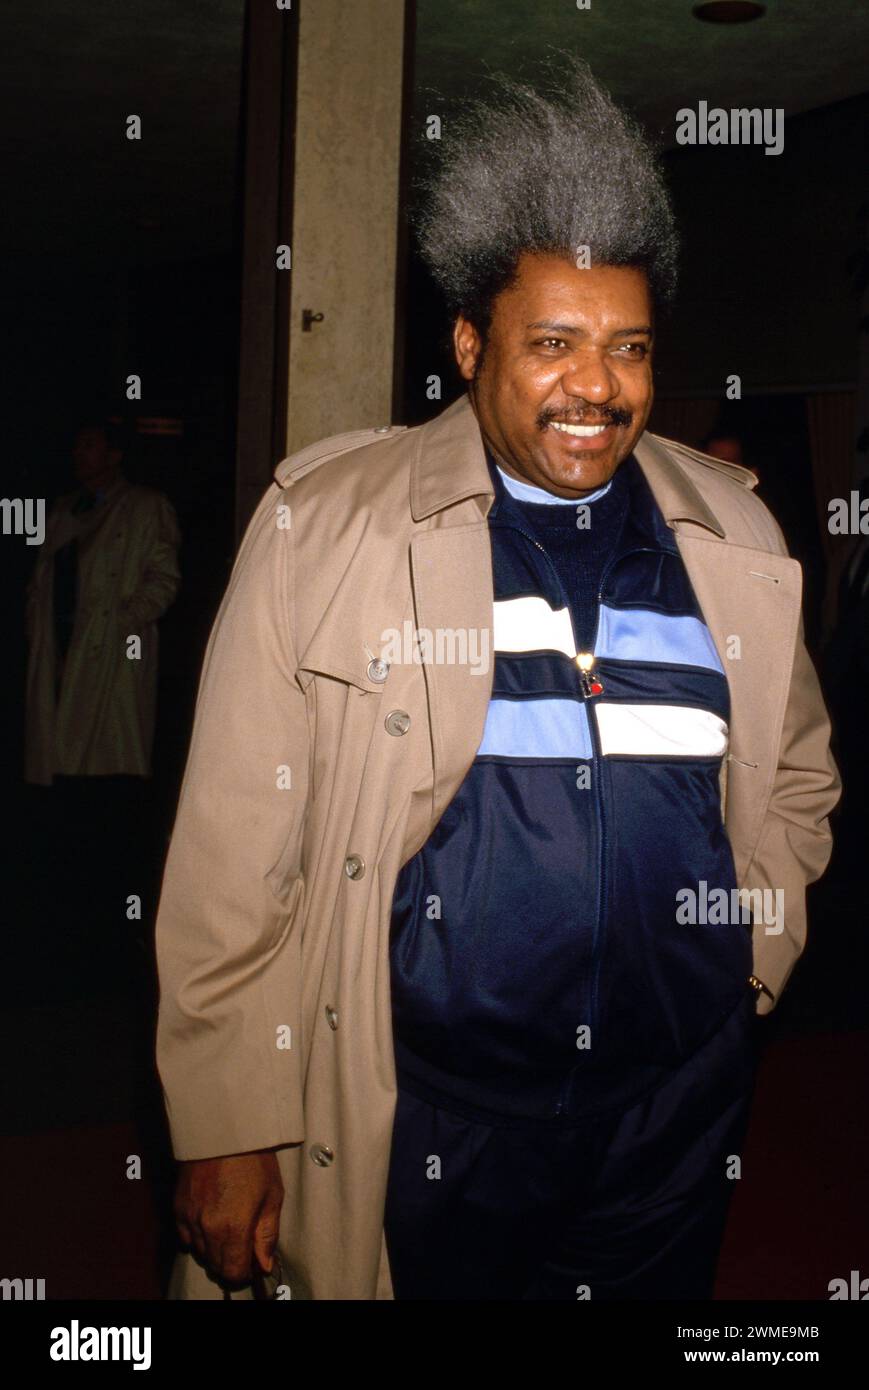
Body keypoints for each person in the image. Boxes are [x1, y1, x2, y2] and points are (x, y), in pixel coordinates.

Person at [155, 58, 839, 1301]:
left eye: (627, 347)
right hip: (431, 1110)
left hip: (672, 1113)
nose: (597, 385)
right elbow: (231, 849)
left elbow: (795, 778)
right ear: (470, 344)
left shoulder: (733, 538)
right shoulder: (332, 524)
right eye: (555, 344)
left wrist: (750, 962)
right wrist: (224, 1114)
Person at [24, 417, 181, 956]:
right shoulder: (64, 512)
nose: (79, 452)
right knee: (66, 791)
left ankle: (115, 930)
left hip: (112, 666)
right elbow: (41, 584)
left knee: (110, 793)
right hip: (65, 665)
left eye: (89, 443)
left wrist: (125, 623)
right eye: (77, 443)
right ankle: (73, 926)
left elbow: (164, 576)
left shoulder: (144, 507)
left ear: (113, 454)